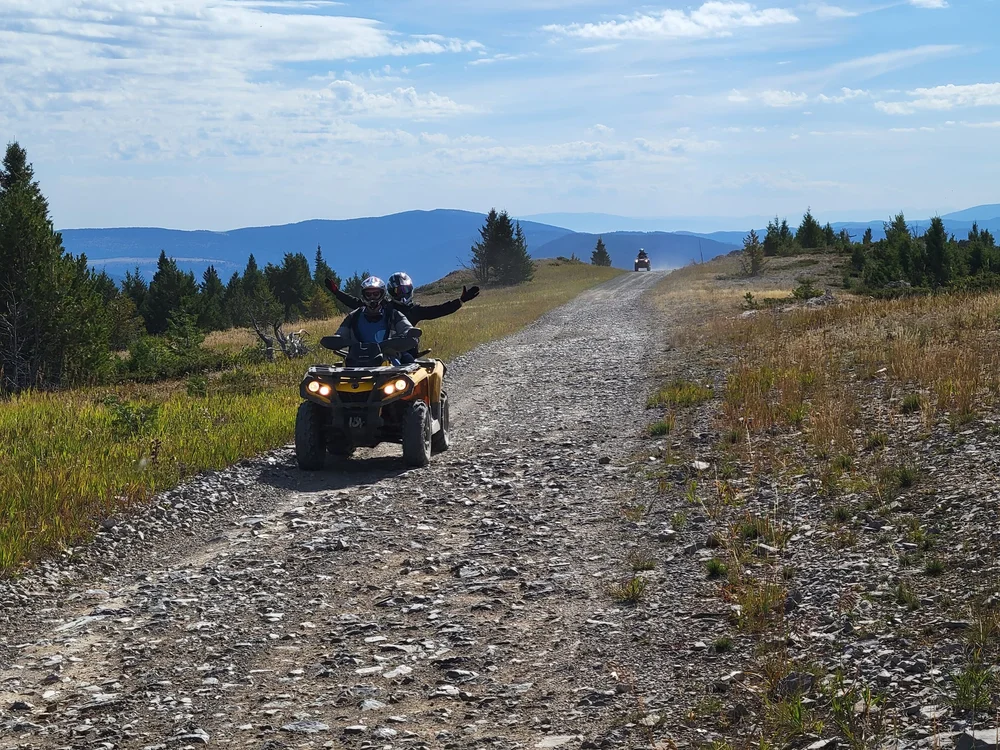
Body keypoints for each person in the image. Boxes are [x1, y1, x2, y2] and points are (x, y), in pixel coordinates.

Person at [325, 271, 480, 325]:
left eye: (405, 290)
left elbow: (439, 310)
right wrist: (337, 292)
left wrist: (460, 301)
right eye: (398, 291)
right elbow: (356, 303)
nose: (402, 294)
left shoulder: (415, 310)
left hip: (407, 355)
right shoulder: (383, 306)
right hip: (379, 352)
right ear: (390, 292)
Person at [334, 276, 417, 365]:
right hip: (356, 360)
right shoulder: (353, 316)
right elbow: (341, 334)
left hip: (389, 358)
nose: (372, 297)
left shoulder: (393, 314)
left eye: (376, 294)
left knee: (410, 362)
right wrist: (336, 339)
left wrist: (410, 333)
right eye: (368, 294)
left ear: (382, 294)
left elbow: (406, 327)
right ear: (363, 295)